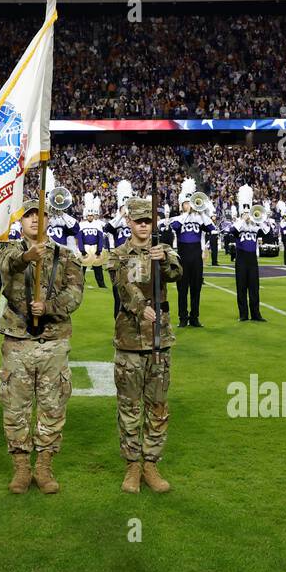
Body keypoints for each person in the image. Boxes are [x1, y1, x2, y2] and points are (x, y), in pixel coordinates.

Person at [0, 196, 85, 494]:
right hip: (18, 339)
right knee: (15, 405)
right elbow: (8, 268)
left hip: (53, 340)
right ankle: (21, 468)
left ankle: (44, 466)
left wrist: (49, 307)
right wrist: (26, 258)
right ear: (20, 221)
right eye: (29, 215)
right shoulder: (8, 250)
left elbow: (75, 293)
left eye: (40, 215)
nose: (35, 219)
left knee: (52, 403)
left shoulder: (67, 255)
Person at [105, 197, 181, 494]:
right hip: (130, 338)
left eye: (148, 221)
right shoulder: (119, 254)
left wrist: (166, 259)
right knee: (129, 406)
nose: (144, 226)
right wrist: (140, 306)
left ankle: (151, 463)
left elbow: (177, 274)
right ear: (129, 222)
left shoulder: (163, 249)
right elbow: (124, 285)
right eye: (139, 221)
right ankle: (132, 465)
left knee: (158, 405)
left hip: (159, 340)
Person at [225, 193, 271, 322]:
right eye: (246, 213)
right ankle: (243, 314)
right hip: (241, 258)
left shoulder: (256, 226)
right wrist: (242, 220)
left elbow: (269, 233)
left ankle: (256, 314)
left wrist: (260, 220)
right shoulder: (239, 225)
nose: (248, 215)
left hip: (252, 259)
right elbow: (232, 231)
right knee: (241, 287)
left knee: (254, 287)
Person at [168, 184, 206, 328]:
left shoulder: (200, 219)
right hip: (182, 256)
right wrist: (186, 214)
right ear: (181, 205)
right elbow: (175, 227)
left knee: (196, 288)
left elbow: (211, 228)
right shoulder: (177, 219)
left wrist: (200, 212)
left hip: (196, 256)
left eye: (191, 203)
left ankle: (195, 317)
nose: (189, 205)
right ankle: (183, 318)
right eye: (186, 203)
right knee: (182, 289)